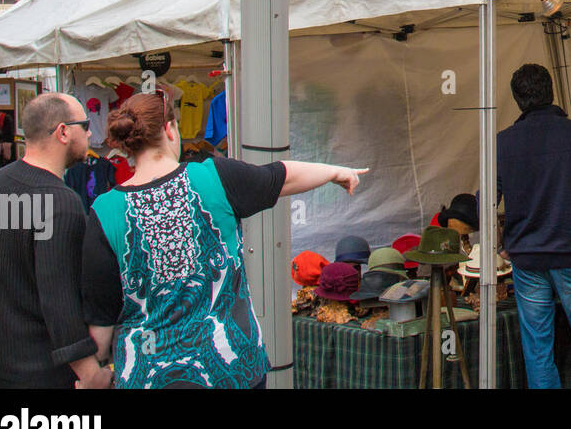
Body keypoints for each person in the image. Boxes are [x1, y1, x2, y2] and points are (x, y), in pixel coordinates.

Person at [81, 92, 367, 388]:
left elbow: (100, 324)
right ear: (170, 129)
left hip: (148, 376)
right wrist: (337, 172)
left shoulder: (103, 211)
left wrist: (95, 373)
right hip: (230, 368)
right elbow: (280, 176)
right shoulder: (213, 177)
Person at [0, 93, 110, 389]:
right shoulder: (61, 202)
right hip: (44, 374)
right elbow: (59, 299)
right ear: (63, 132)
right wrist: (91, 373)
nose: (90, 132)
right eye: (84, 125)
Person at [497, 64, 571, 389]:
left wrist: (500, 247)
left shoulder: (503, 142)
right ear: (551, 92)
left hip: (527, 259)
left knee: (538, 349)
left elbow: (487, 199)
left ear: (518, 100)